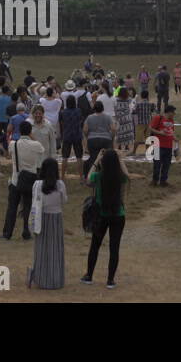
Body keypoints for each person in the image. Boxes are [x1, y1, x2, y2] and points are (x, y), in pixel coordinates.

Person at [82, 149, 129, 288]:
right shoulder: (121, 177)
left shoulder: (98, 176)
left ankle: (89, 276)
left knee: (95, 246)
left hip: (101, 216)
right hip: (118, 215)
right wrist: (120, 159)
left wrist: (96, 161)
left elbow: (88, 179)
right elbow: (127, 174)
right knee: (114, 248)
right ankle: (110, 280)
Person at [29, 157, 67, 289]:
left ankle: (41, 278)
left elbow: (34, 201)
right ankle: (56, 279)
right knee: (56, 250)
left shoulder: (37, 184)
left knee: (42, 249)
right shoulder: (60, 184)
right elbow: (64, 201)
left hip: (41, 219)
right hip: (56, 219)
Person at [2, 121, 43, 241]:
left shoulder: (14, 144)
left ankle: (7, 232)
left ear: (19, 131)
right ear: (30, 131)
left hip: (16, 179)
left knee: (12, 207)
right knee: (28, 207)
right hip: (30, 179)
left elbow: (8, 153)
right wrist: (32, 136)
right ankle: (26, 231)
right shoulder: (35, 145)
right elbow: (42, 149)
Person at [82, 101, 115, 179]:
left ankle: (90, 177)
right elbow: (113, 129)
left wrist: (88, 137)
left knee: (93, 158)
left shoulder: (89, 117)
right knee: (106, 158)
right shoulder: (108, 117)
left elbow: (85, 130)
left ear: (94, 109)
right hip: (106, 139)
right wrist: (111, 138)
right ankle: (107, 176)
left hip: (92, 140)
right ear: (102, 108)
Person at [148, 104, 175, 186]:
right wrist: (160, 133)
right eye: (173, 112)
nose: (174, 114)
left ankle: (163, 181)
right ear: (169, 112)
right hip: (157, 144)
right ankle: (154, 180)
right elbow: (151, 128)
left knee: (166, 164)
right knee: (157, 164)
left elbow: (171, 132)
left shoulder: (172, 121)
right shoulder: (158, 118)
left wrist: (174, 138)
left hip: (169, 146)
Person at [58, 95, 83, 180]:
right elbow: (80, 120)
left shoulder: (63, 112)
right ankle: (81, 176)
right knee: (79, 157)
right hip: (77, 135)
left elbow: (61, 123)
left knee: (65, 157)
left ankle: (62, 177)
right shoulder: (79, 111)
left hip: (67, 135)